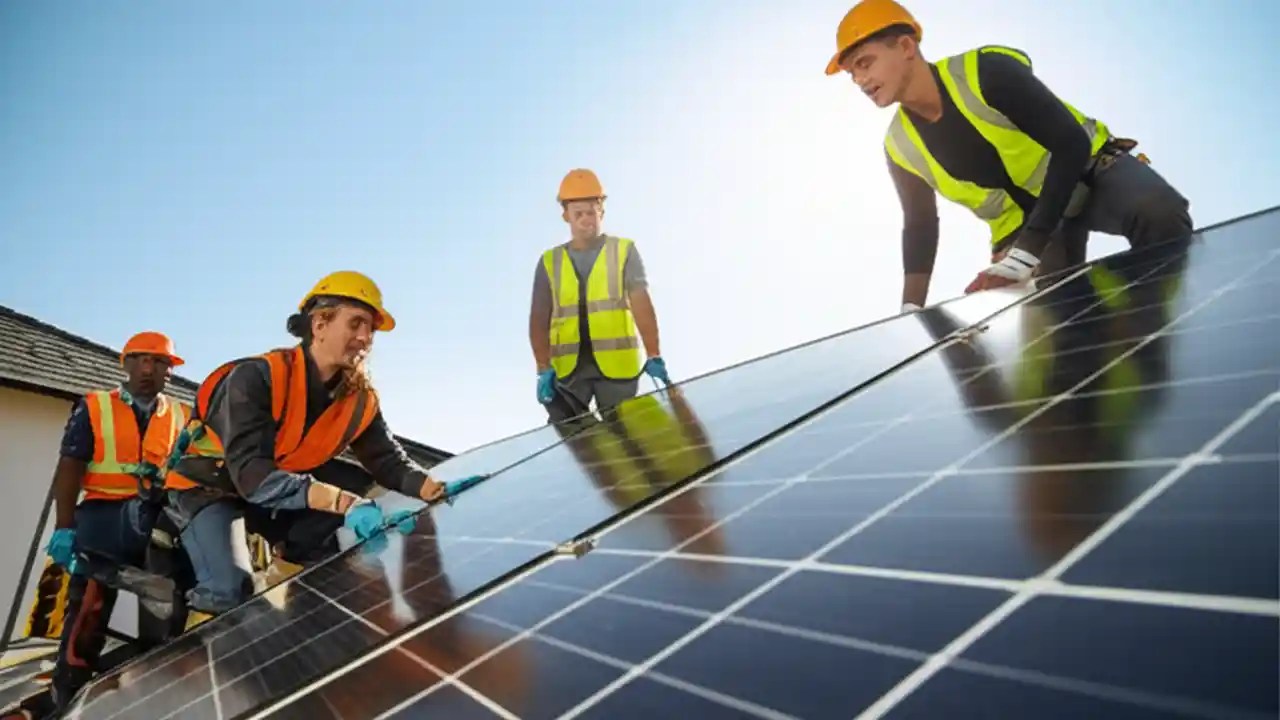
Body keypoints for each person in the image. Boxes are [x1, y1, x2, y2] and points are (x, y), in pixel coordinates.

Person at [823, 0, 1194, 310]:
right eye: (852, 73)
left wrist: (1027, 252)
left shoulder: (985, 72)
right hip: (1022, 231)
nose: (859, 81)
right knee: (1056, 323)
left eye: (864, 63)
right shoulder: (898, 147)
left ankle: (1155, 327)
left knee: (1158, 213)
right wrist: (911, 311)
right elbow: (920, 226)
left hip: (1090, 174)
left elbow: (1070, 143)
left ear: (906, 48)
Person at [162, 270, 478, 617]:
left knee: (335, 565)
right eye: (356, 323)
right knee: (230, 589)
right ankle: (199, 660)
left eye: (371, 329)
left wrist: (432, 486)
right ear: (319, 324)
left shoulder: (359, 399)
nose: (365, 337)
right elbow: (252, 475)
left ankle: (306, 645)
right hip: (209, 489)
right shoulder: (256, 378)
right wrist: (342, 501)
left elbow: (387, 461)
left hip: (283, 492)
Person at [24, 332, 192, 717]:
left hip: (157, 520)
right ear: (126, 364)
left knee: (167, 607)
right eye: (141, 360)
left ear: (171, 370)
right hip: (102, 515)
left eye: (159, 362)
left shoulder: (183, 416)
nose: (149, 369)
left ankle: (155, 695)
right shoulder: (95, 406)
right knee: (88, 610)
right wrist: (63, 527)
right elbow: (70, 468)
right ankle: (67, 694)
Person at [529, 168, 671, 423]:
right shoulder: (550, 261)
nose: (586, 219)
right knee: (571, 441)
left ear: (601, 211)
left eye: (591, 212)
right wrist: (543, 367)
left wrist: (654, 353)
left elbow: (641, 303)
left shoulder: (623, 250)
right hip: (568, 372)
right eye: (578, 214)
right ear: (566, 217)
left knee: (623, 435)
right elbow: (539, 317)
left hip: (617, 368)